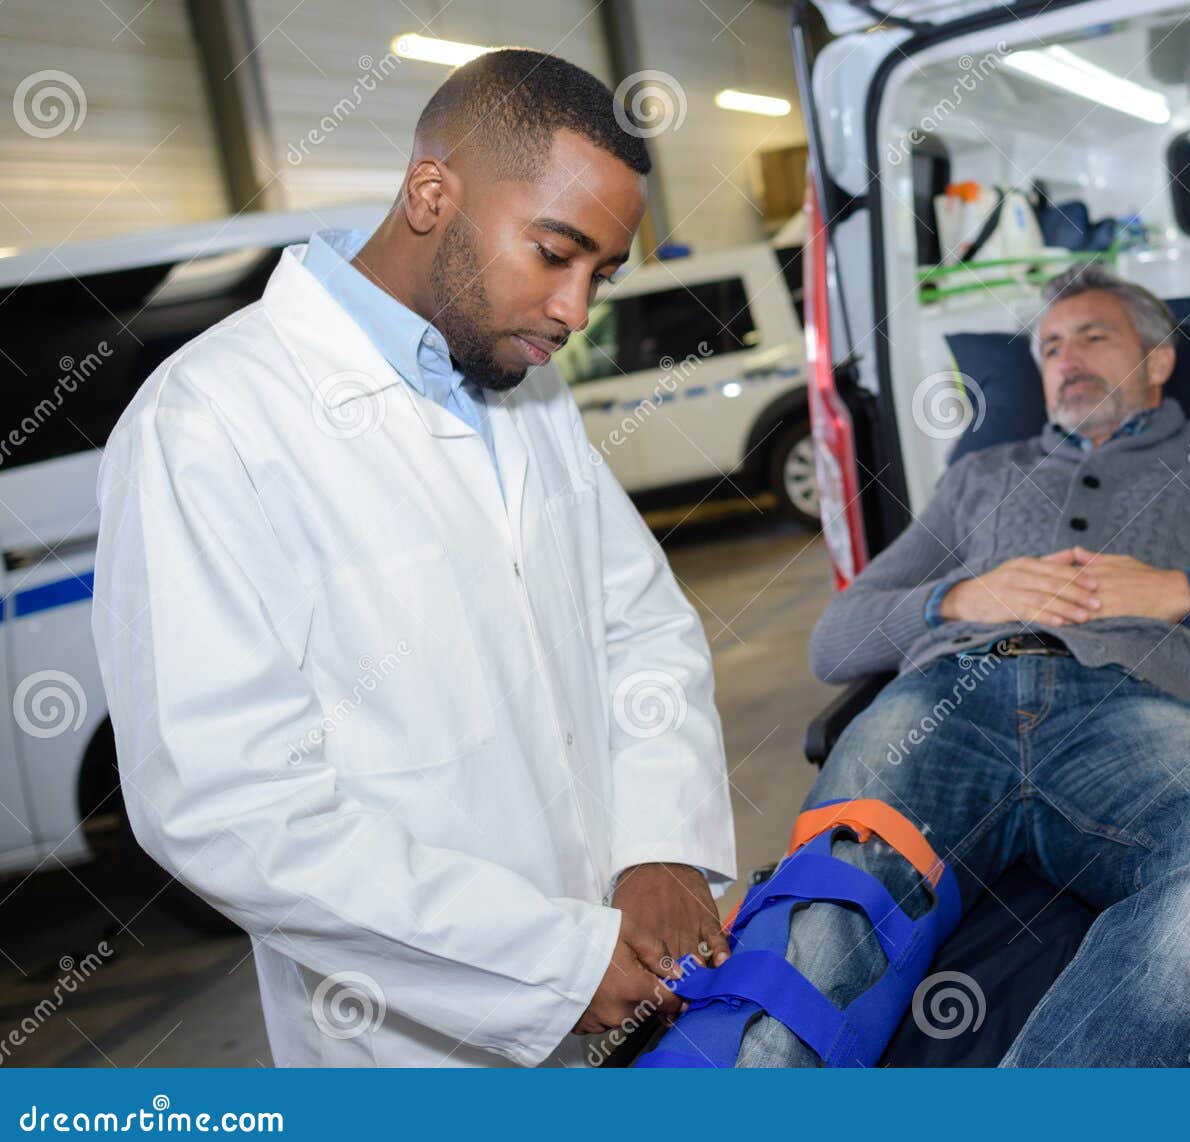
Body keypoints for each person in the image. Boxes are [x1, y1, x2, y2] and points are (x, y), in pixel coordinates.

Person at [91, 49, 734, 1068]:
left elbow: (638, 621)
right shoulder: (212, 420)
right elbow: (228, 806)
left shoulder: (525, 383)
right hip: (414, 1049)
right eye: (553, 254)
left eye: (600, 275)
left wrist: (657, 840)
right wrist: (547, 963)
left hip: (620, 977)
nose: (576, 311)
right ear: (433, 193)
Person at [729, 263, 1190, 1066]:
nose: (1067, 358)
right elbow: (832, 642)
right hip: (945, 708)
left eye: (1094, 335)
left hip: (1134, 713)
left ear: (1159, 361)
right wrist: (958, 599)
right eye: (1051, 346)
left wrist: (1184, 592)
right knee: (828, 904)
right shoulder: (979, 478)